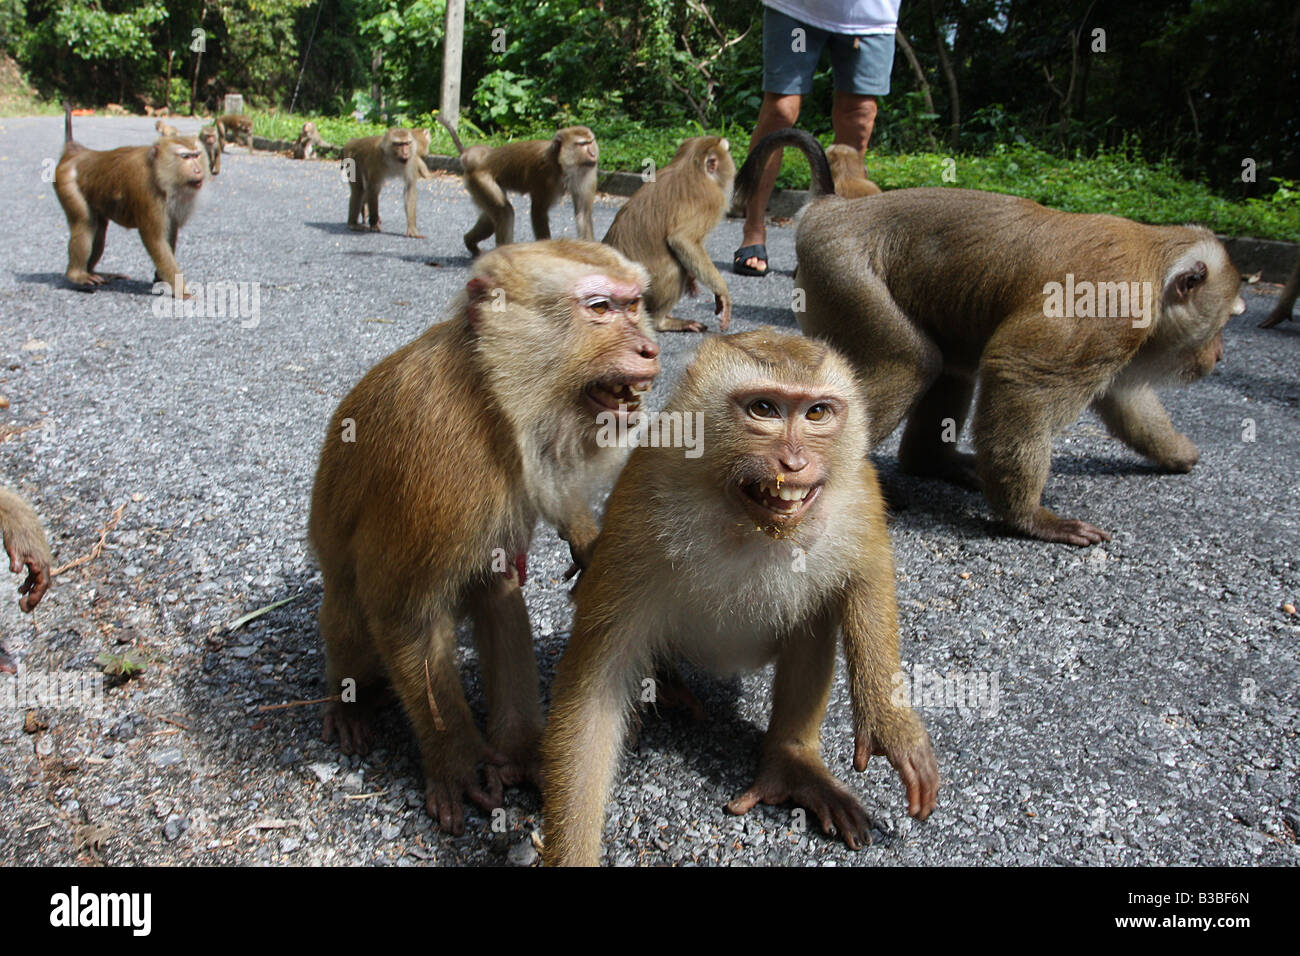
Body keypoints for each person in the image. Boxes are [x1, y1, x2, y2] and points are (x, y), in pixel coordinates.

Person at [735, 0, 900, 276]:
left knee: (859, 115)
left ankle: (833, 247)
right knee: (780, 110)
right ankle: (753, 227)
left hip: (871, 14)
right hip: (797, 7)